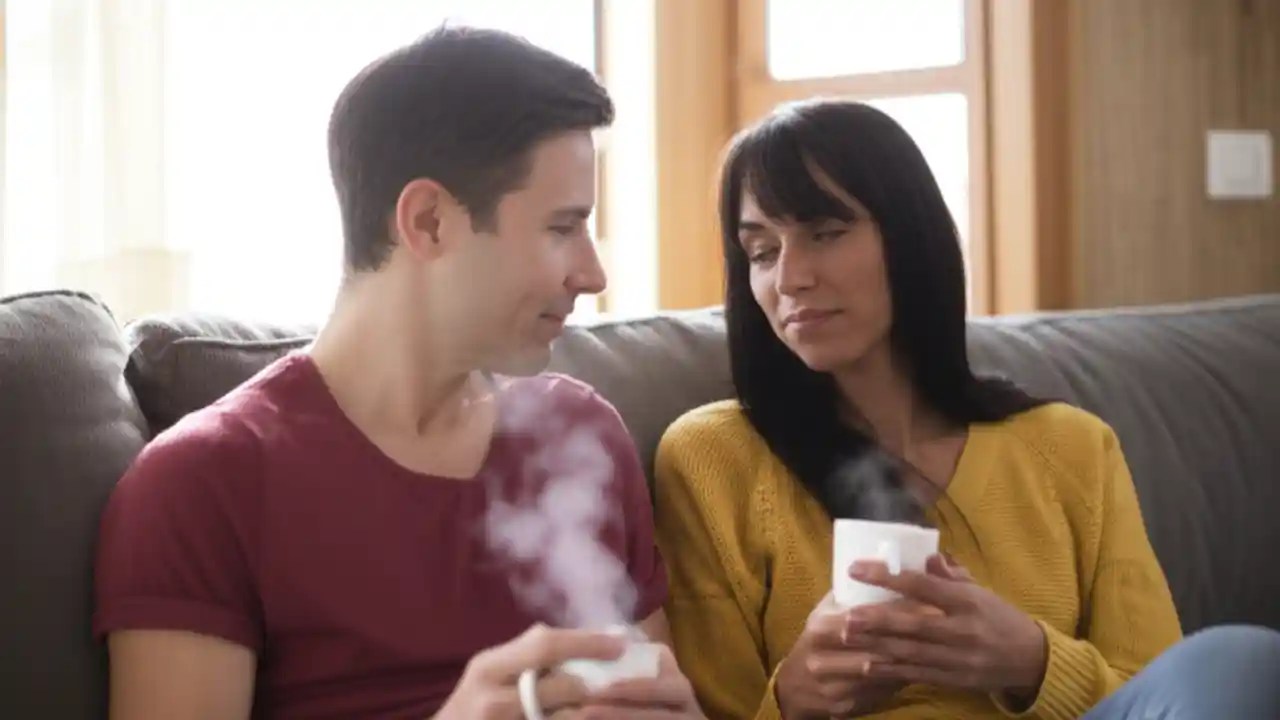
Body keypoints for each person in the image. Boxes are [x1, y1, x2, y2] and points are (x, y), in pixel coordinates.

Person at [93, 26, 705, 720]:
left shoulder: (582, 433)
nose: (593, 274)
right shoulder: (202, 484)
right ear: (430, 222)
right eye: (562, 228)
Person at [653, 99, 1280, 719]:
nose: (788, 278)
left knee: (1239, 661)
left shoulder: (1071, 448)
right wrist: (794, 701)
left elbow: (1171, 691)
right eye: (762, 251)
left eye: (825, 233)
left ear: (908, 238)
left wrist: (1029, 662)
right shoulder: (713, 459)